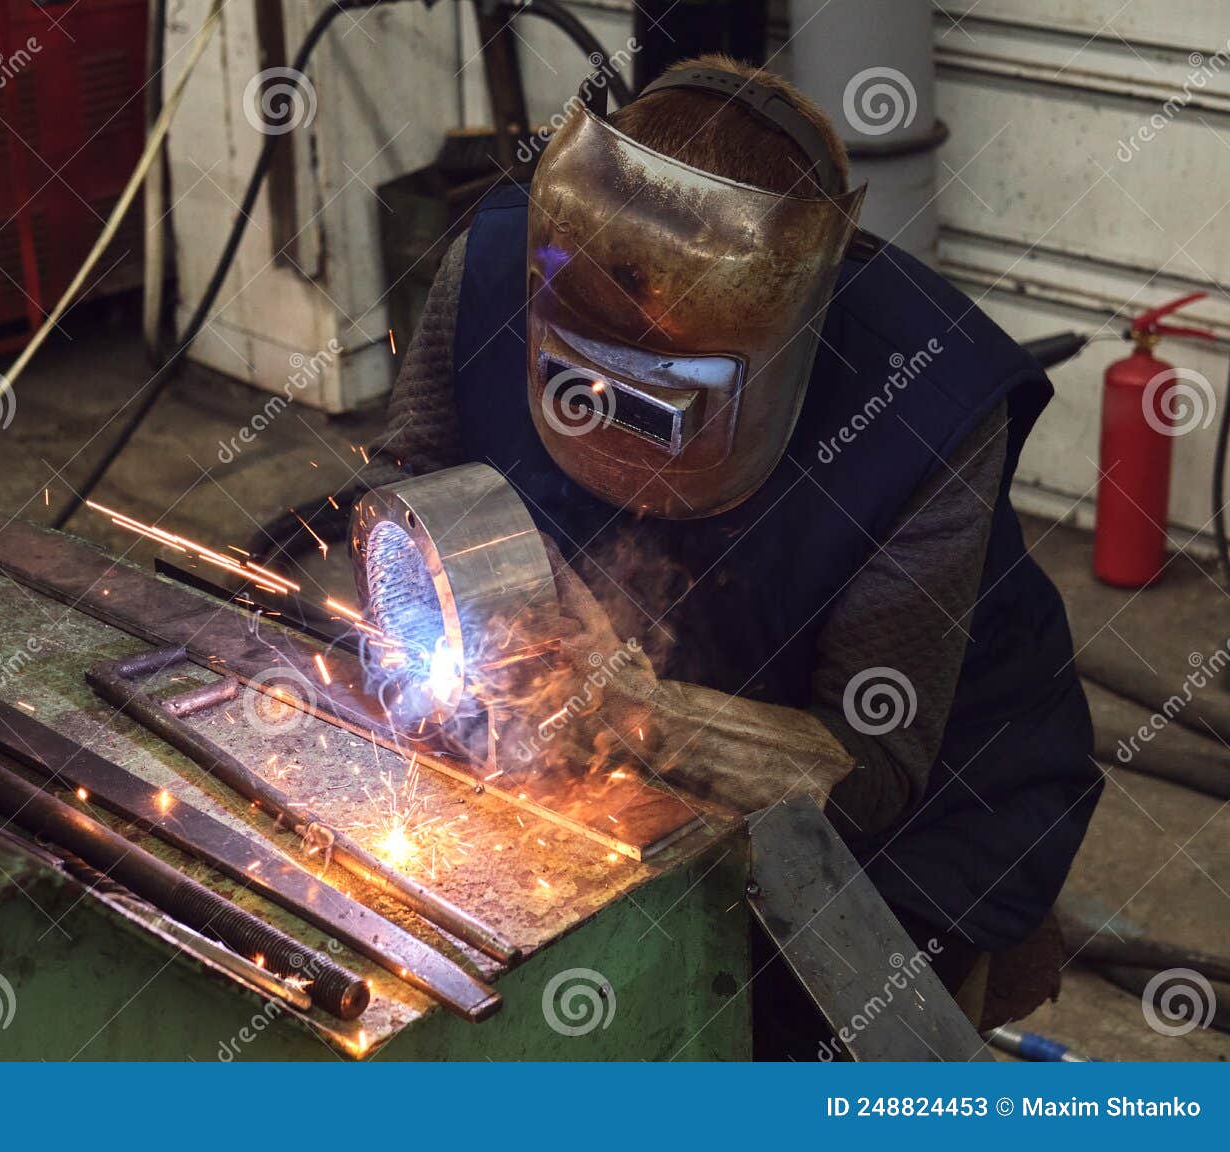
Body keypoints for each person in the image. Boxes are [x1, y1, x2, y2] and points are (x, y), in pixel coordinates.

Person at [362, 55, 1101, 1046]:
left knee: (778, 1036)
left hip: (911, 799)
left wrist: (633, 710)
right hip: (597, 697)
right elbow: (409, 482)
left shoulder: (927, 401)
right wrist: (435, 635)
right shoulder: (495, 263)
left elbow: (871, 771)